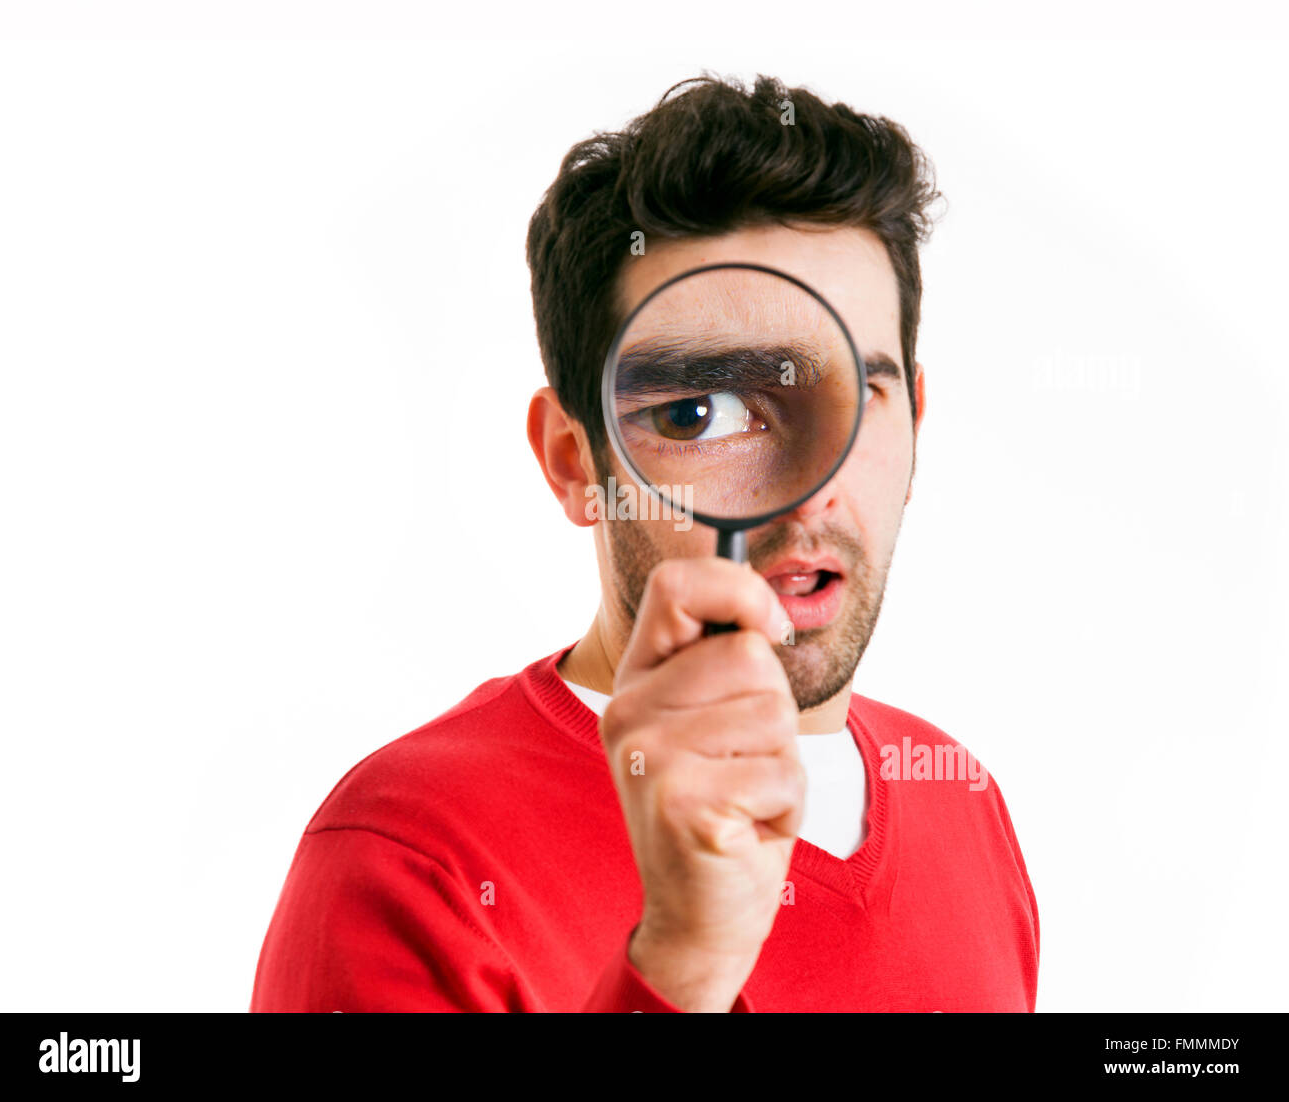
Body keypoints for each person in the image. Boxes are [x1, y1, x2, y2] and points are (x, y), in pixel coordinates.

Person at [249, 72, 1039, 1013]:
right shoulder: (413, 861)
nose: (813, 488)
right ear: (575, 463)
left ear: (915, 421)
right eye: (702, 412)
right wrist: (682, 960)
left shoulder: (965, 805)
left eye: (856, 399)